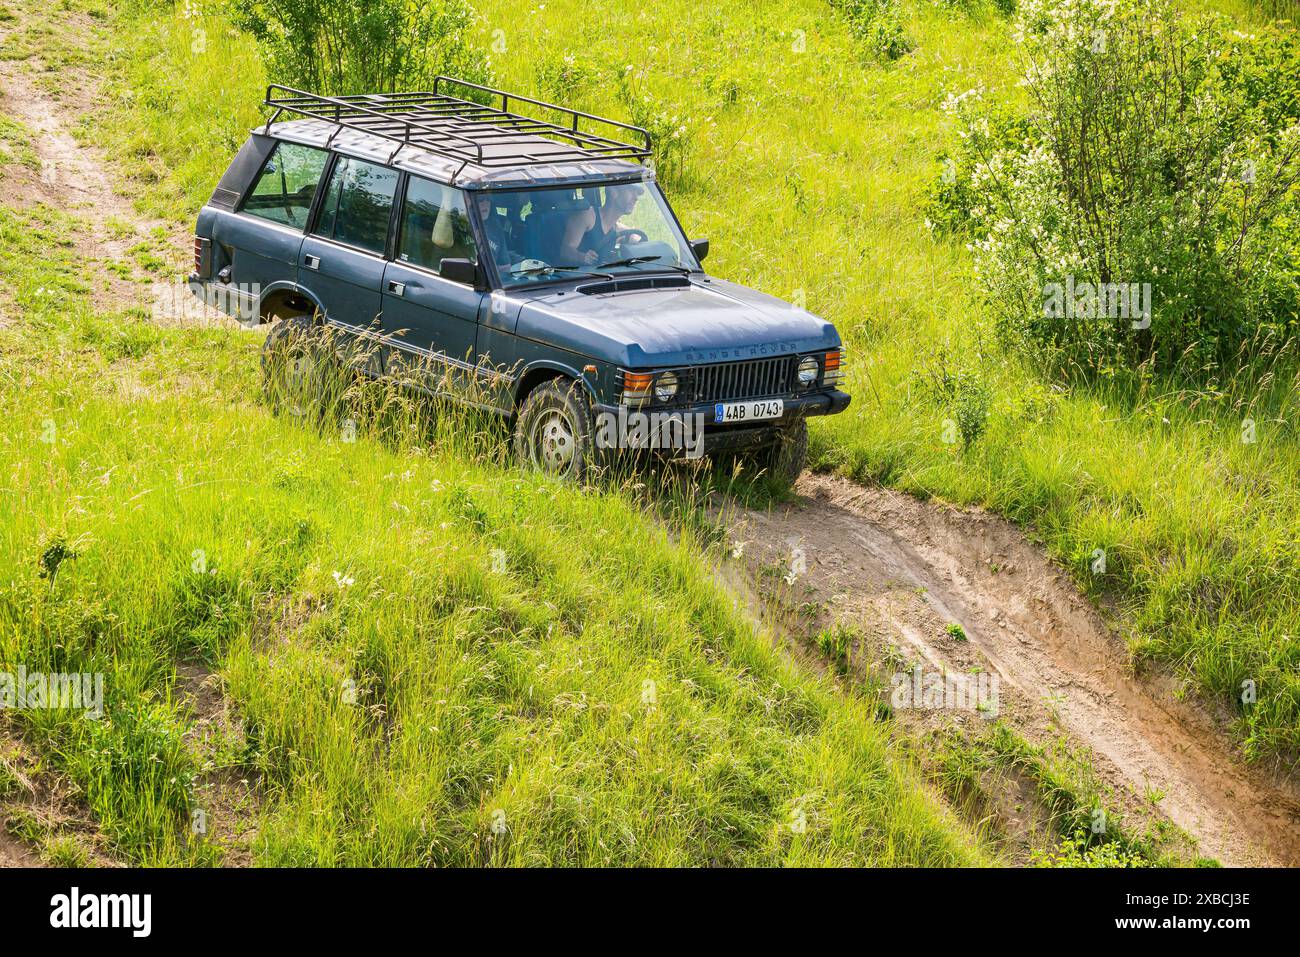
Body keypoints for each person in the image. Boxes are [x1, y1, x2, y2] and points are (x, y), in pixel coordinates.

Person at [561, 183, 643, 266]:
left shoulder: (617, 228)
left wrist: (636, 239)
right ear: (613, 191)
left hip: (604, 277)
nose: (636, 198)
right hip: (576, 276)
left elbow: (630, 234)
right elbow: (565, 251)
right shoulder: (587, 216)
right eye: (631, 191)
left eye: (637, 194)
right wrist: (581, 257)